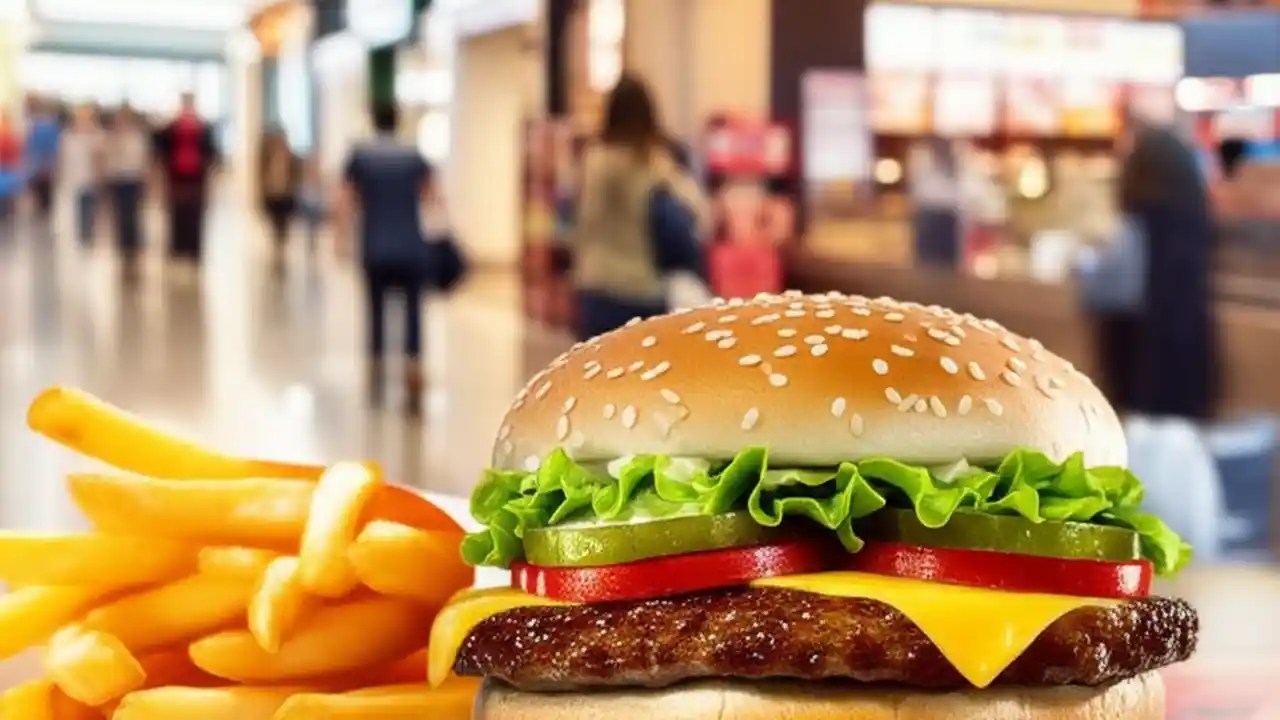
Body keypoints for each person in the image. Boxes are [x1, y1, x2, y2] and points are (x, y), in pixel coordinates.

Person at [572, 74, 706, 341]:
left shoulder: (593, 160)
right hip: (642, 289)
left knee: (596, 375)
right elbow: (698, 209)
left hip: (595, 285)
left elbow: (581, 222)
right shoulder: (653, 162)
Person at [1114, 113, 1216, 419]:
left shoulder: (1136, 224)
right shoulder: (1196, 220)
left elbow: (1112, 290)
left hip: (1141, 360)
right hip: (1191, 359)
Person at [337, 104, 435, 416]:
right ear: (398, 121)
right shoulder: (413, 155)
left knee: (375, 309)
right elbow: (432, 196)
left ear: (373, 121)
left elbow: (345, 200)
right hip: (411, 246)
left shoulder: (361, 156)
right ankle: (413, 367)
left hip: (375, 246)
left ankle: (376, 370)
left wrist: (340, 240)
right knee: (413, 311)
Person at [156, 93, 216, 262]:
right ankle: (178, 247)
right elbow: (162, 152)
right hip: (177, 177)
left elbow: (209, 155)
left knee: (194, 213)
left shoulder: (203, 128)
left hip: (195, 178)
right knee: (177, 213)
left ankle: (192, 247)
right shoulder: (172, 128)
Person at [104, 106, 151, 278]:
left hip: (133, 180)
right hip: (117, 180)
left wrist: (147, 179)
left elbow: (143, 160)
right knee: (120, 216)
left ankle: (134, 248)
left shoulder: (138, 138)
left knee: (133, 216)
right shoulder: (111, 138)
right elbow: (107, 159)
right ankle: (123, 249)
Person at [908, 137, 962, 268]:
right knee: (926, 263)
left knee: (947, 265)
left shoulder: (957, 161)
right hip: (929, 215)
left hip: (947, 216)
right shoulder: (922, 159)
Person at [61, 106, 105, 245]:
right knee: (79, 206)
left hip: (90, 177)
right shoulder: (68, 136)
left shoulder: (96, 136)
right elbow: (64, 158)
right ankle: (83, 232)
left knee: (90, 206)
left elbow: (99, 158)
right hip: (75, 177)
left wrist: (99, 175)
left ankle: (89, 231)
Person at [259, 129, 300, 268]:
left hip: (286, 195)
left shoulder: (291, 158)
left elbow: (295, 177)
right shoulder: (268, 157)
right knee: (275, 222)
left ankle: (281, 247)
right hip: (273, 194)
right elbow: (263, 177)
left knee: (283, 224)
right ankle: (277, 246)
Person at [24, 96, 61, 221]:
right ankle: (43, 215)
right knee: (42, 196)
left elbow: (52, 147)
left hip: (41, 166)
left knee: (43, 196)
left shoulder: (42, 125)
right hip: (39, 166)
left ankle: (43, 216)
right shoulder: (40, 124)